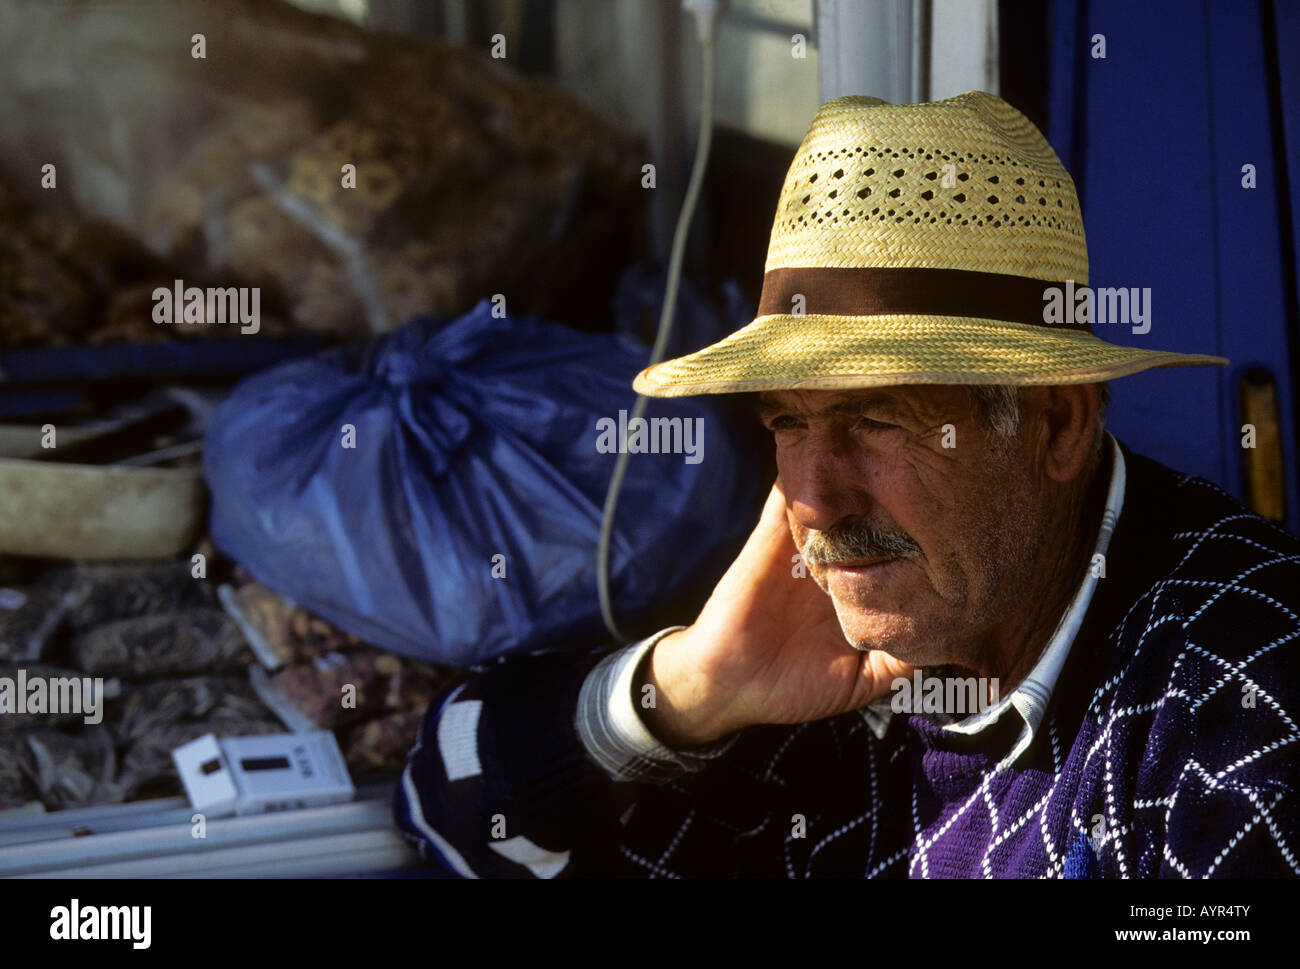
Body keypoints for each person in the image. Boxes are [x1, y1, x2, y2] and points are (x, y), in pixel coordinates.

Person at [394, 92, 1300, 877]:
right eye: (788, 422)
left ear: (1058, 424)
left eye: (877, 420)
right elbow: (450, 812)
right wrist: (688, 691)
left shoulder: (1245, 692)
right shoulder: (822, 648)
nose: (818, 501)